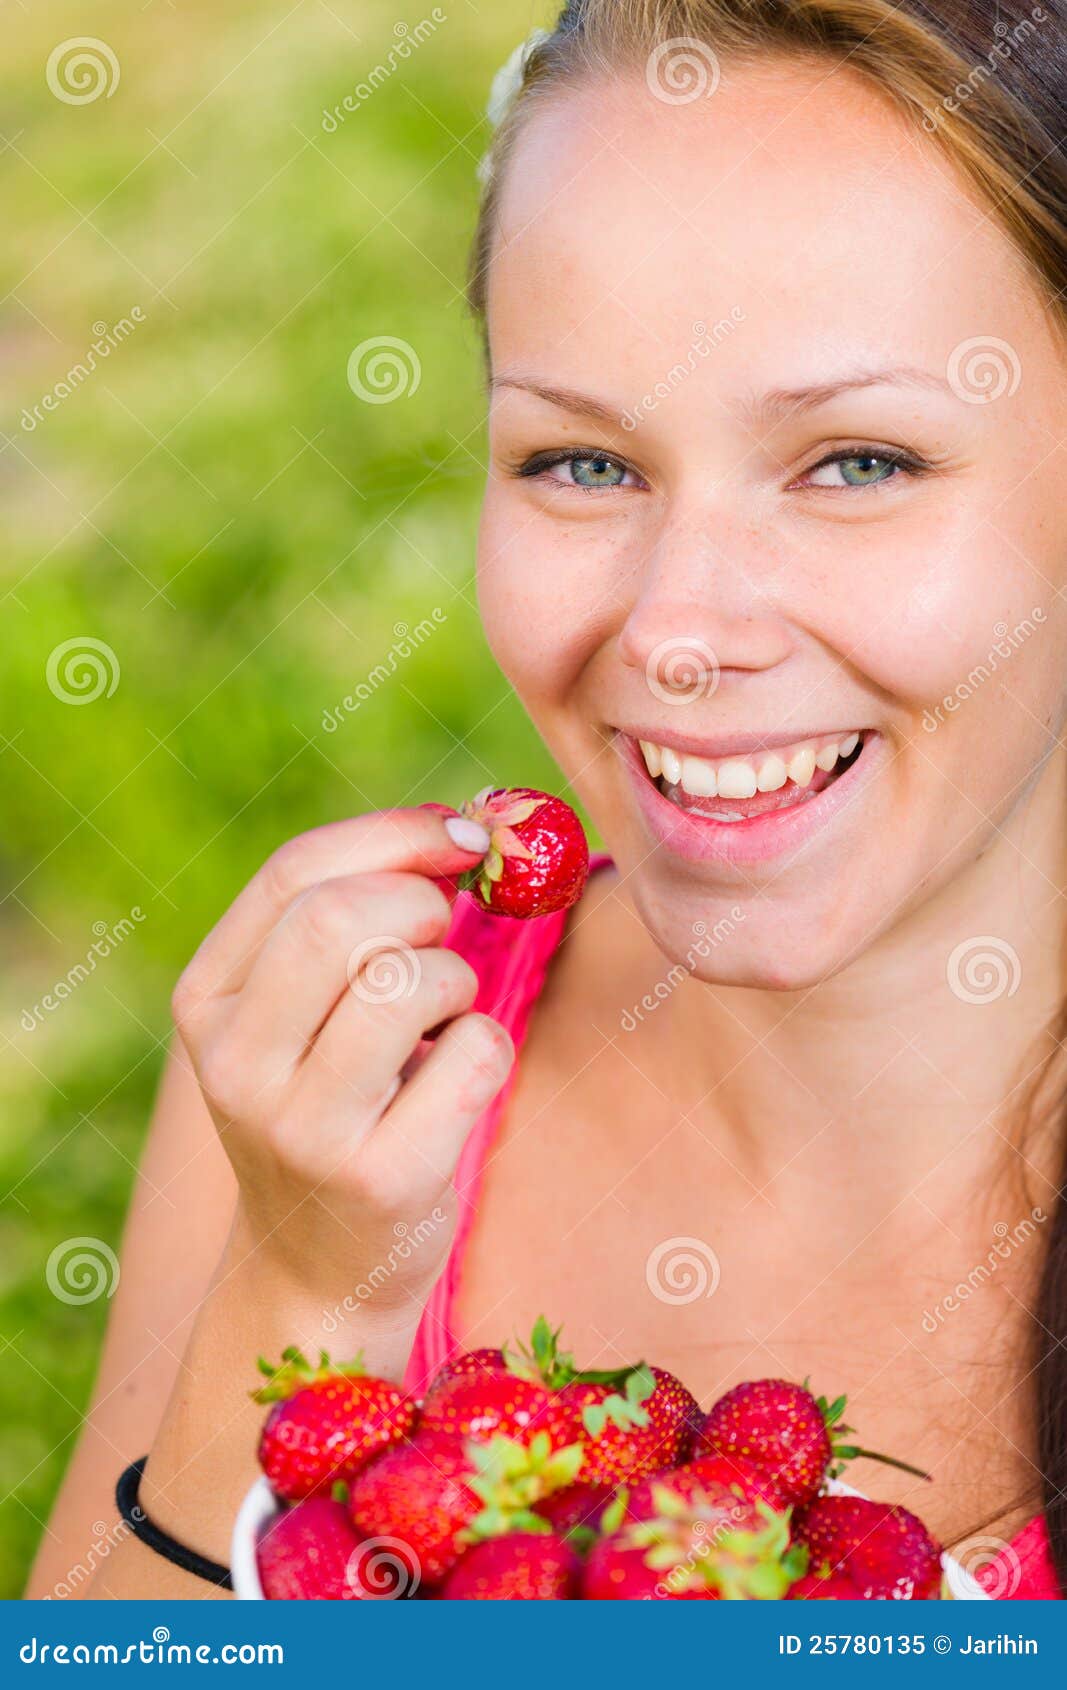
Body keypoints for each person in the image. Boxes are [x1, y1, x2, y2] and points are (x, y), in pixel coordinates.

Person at [29, 0, 1067, 1598]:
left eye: (856, 462)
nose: (674, 630)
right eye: (583, 464)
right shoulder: (357, 1079)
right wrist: (309, 1297)